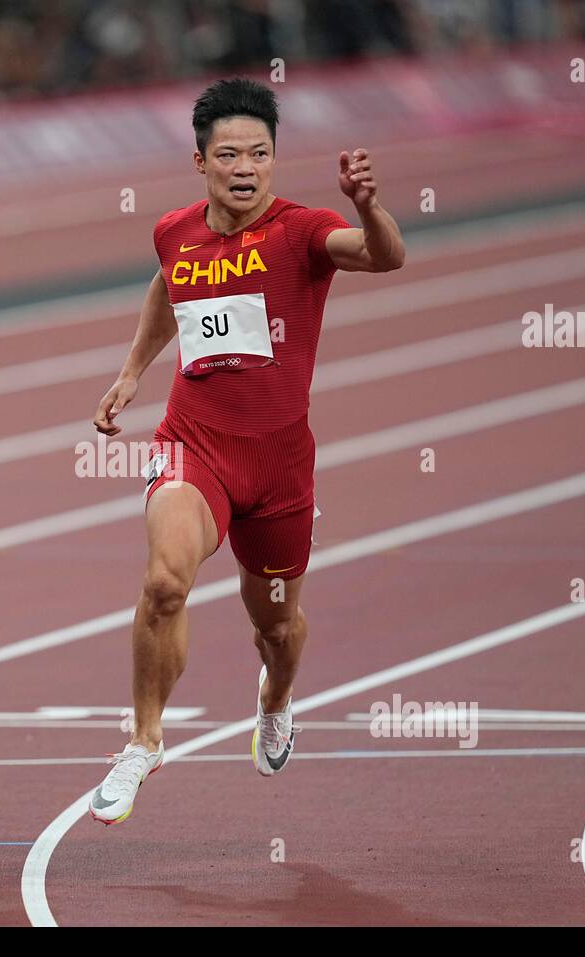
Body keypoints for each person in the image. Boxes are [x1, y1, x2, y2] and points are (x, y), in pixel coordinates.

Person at [89, 77, 404, 824]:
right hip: (193, 446)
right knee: (165, 580)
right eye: (228, 154)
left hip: (280, 467)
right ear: (200, 162)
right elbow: (168, 289)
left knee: (276, 628)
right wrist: (133, 370)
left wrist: (365, 203)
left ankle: (277, 695)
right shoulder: (174, 230)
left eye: (259, 154)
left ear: (272, 160)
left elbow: (384, 255)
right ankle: (143, 739)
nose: (244, 167)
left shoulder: (303, 230)